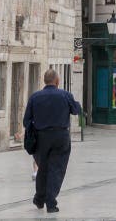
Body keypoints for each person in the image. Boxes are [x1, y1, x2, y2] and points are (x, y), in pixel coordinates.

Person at [23, 68, 82, 213]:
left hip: (41, 137)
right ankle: (50, 203)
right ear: (57, 81)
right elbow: (76, 110)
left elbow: (26, 121)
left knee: (42, 168)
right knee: (56, 169)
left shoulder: (35, 97)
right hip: (60, 136)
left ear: (44, 81)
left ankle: (39, 199)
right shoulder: (65, 95)